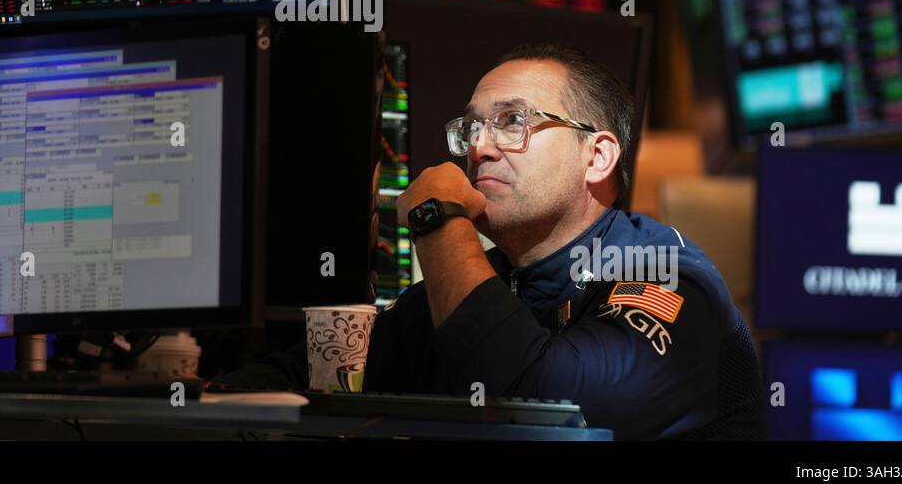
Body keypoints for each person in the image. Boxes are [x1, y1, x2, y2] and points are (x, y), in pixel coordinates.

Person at [213, 42, 766, 440]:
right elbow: (311, 373)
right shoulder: (496, 277)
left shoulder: (666, 274)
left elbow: (539, 402)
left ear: (596, 156)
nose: (478, 148)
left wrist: (437, 218)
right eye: (471, 128)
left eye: (513, 122)